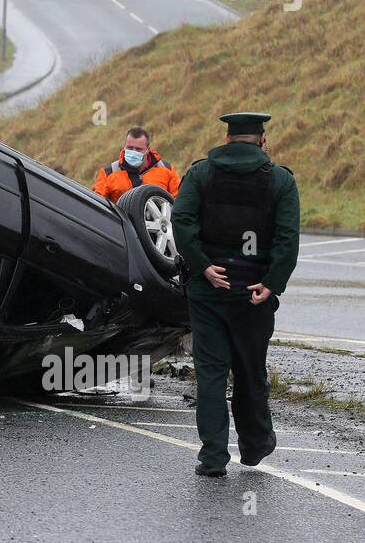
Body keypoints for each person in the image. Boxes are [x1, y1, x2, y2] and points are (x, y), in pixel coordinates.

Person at [171, 111, 300, 478]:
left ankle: (212, 458)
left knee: (210, 373)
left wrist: (202, 266)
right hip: (252, 291)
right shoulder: (279, 181)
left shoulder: (200, 173)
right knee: (249, 369)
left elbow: (181, 220)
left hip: (208, 288)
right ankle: (255, 445)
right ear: (262, 140)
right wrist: (272, 282)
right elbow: (286, 238)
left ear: (227, 140)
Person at [92, 126, 181, 204]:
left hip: (158, 221)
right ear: (124, 147)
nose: (133, 152)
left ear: (148, 150)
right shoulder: (108, 173)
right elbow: (96, 203)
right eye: (130, 148)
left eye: (138, 149)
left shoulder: (167, 169)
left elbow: (180, 199)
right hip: (122, 222)